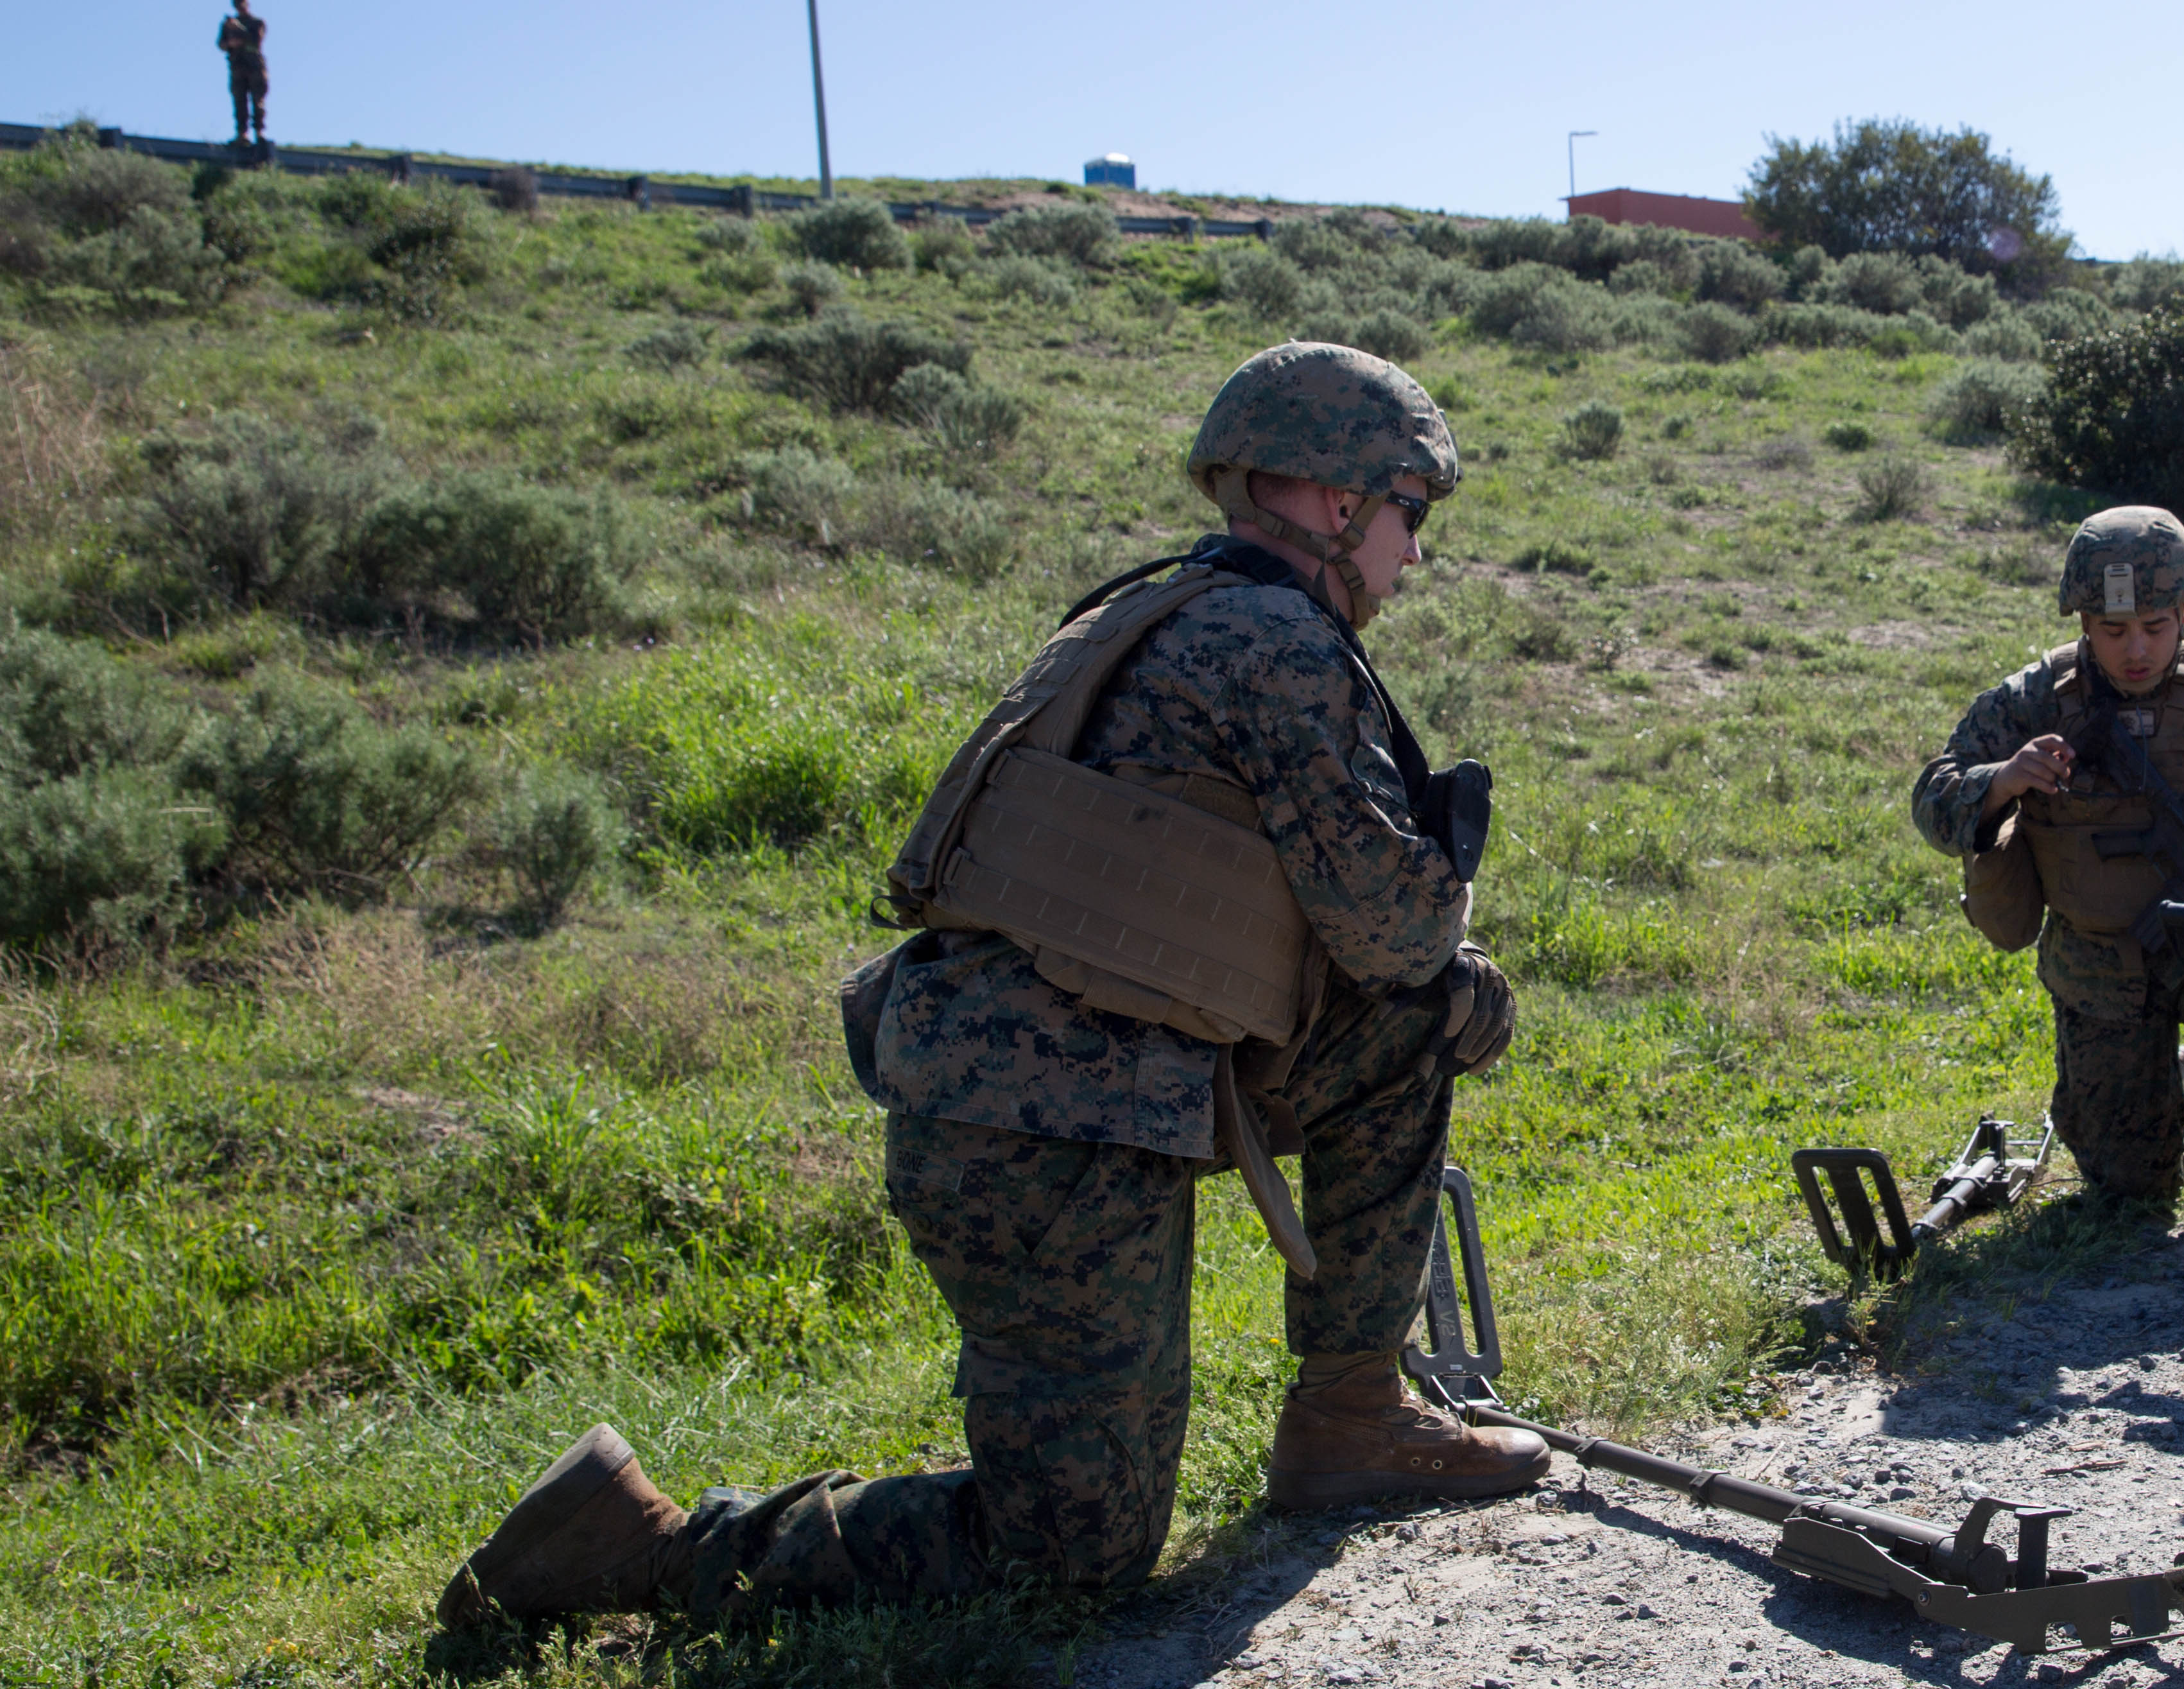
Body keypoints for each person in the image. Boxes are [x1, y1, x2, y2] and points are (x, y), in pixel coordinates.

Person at [438, 343, 1544, 1631]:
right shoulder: (1275, 640)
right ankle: (655, 1548)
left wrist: (1433, 981)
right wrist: (1457, 937)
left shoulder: (1149, 611)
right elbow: (1397, 931)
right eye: (1410, 511)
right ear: (1334, 501)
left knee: (1416, 1019)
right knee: (1071, 1554)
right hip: (1045, 1134)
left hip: (1066, 1090)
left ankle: (1351, 1416)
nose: (1416, 552)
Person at [1911, 507, 2184, 1221]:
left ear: (2183, 615)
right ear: (2084, 624)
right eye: (2114, 631)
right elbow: (1934, 798)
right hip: (2100, 958)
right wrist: (2003, 779)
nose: (2136, 650)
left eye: (2155, 626)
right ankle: (2161, 1080)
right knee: (2127, 1190)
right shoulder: (2033, 700)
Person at [218, 0, 266, 145]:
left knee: (258, 100)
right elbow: (221, 44)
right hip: (237, 67)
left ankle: (259, 132)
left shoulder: (256, 23)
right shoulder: (228, 25)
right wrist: (231, 44)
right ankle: (242, 134)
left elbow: (256, 41)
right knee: (240, 101)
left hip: (255, 67)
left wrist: (239, 29)